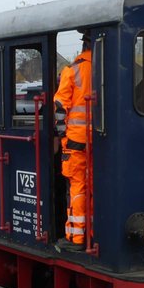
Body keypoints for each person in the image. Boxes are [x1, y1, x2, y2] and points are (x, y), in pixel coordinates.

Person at [54, 37, 93, 250]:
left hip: (76, 139)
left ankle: (76, 239)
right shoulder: (105, 69)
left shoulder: (73, 70)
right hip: (99, 138)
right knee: (93, 185)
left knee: (77, 186)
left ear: (83, 46)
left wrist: (61, 136)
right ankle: (94, 232)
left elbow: (60, 106)